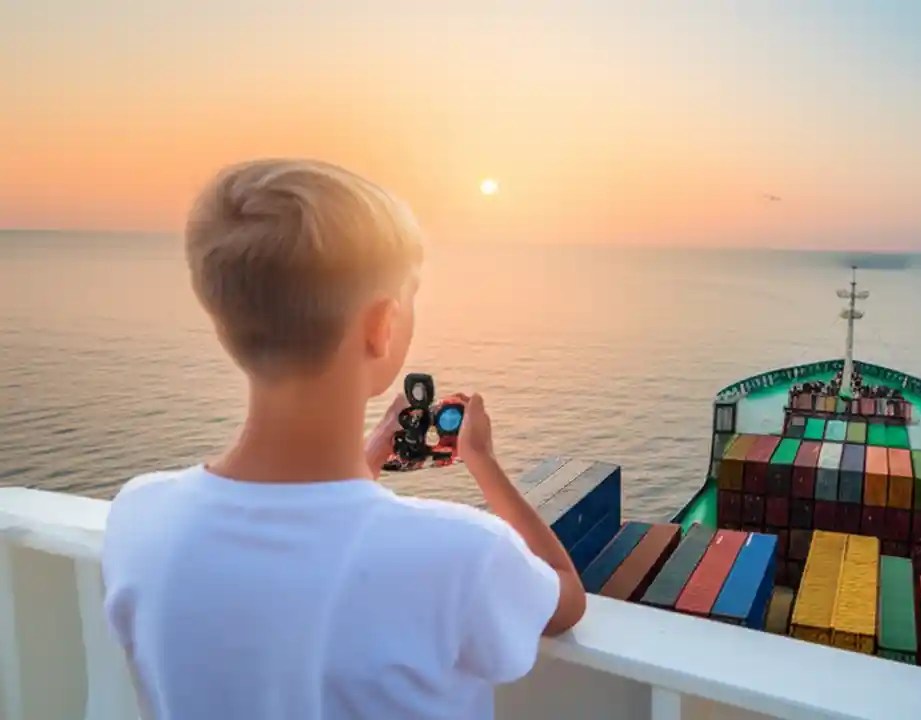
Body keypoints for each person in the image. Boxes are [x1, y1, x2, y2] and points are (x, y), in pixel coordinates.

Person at [101, 159, 587, 720]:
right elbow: (565, 594)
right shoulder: (460, 554)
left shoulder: (139, 514)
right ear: (381, 326)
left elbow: (298, 546)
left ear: (221, 320)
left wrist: (372, 452)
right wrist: (482, 462)